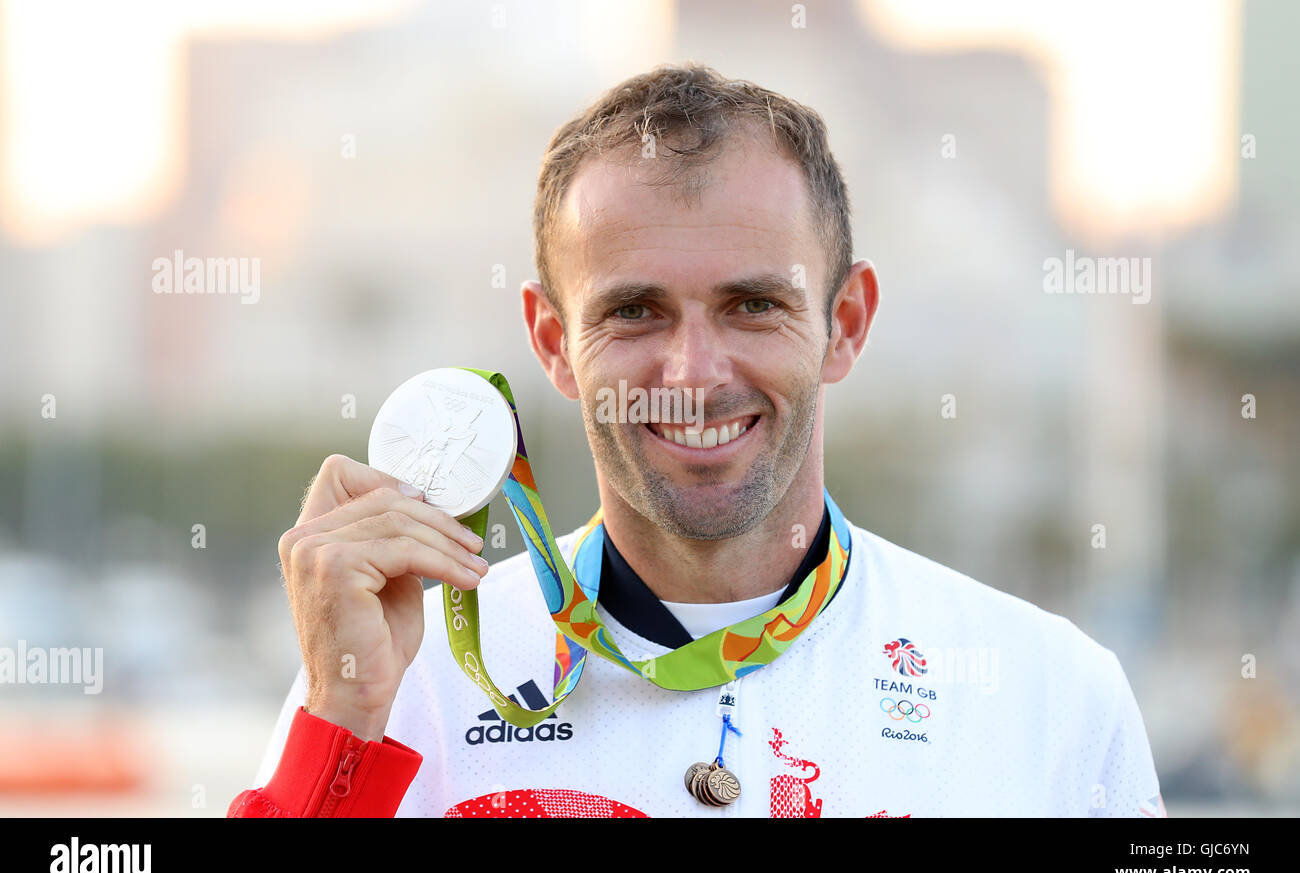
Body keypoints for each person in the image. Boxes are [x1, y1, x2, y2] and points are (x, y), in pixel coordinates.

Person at [229, 63, 1163, 818]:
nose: (692, 373)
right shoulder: (402, 684)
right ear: (553, 343)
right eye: (634, 312)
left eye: (753, 305)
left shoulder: (1050, 694)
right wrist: (341, 725)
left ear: (846, 322)